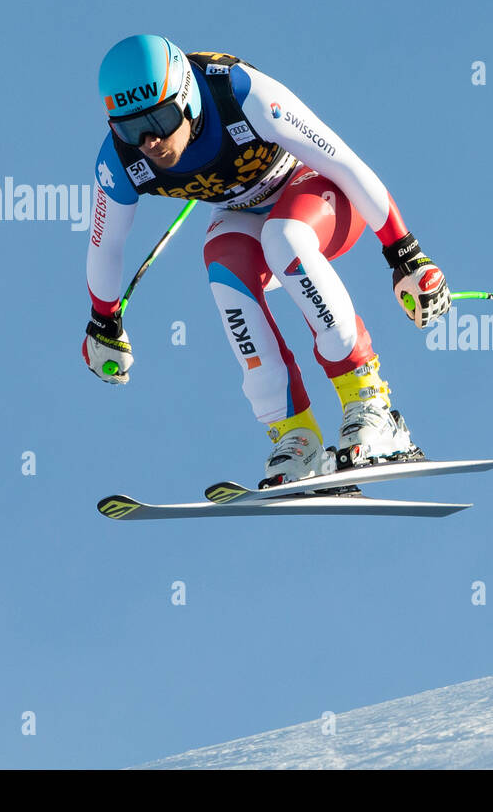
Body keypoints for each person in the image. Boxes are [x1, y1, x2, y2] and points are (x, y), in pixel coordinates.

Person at [83, 35, 451, 484]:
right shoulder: (120, 160)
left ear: (186, 98)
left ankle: (371, 405)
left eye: (159, 117)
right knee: (222, 263)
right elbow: (106, 243)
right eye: (130, 129)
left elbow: (346, 165)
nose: (150, 141)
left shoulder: (241, 95)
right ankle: (296, 437)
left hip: (317, 191)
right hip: (243, 211)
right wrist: (104, 323)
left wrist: (405, 253)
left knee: (284, 238)